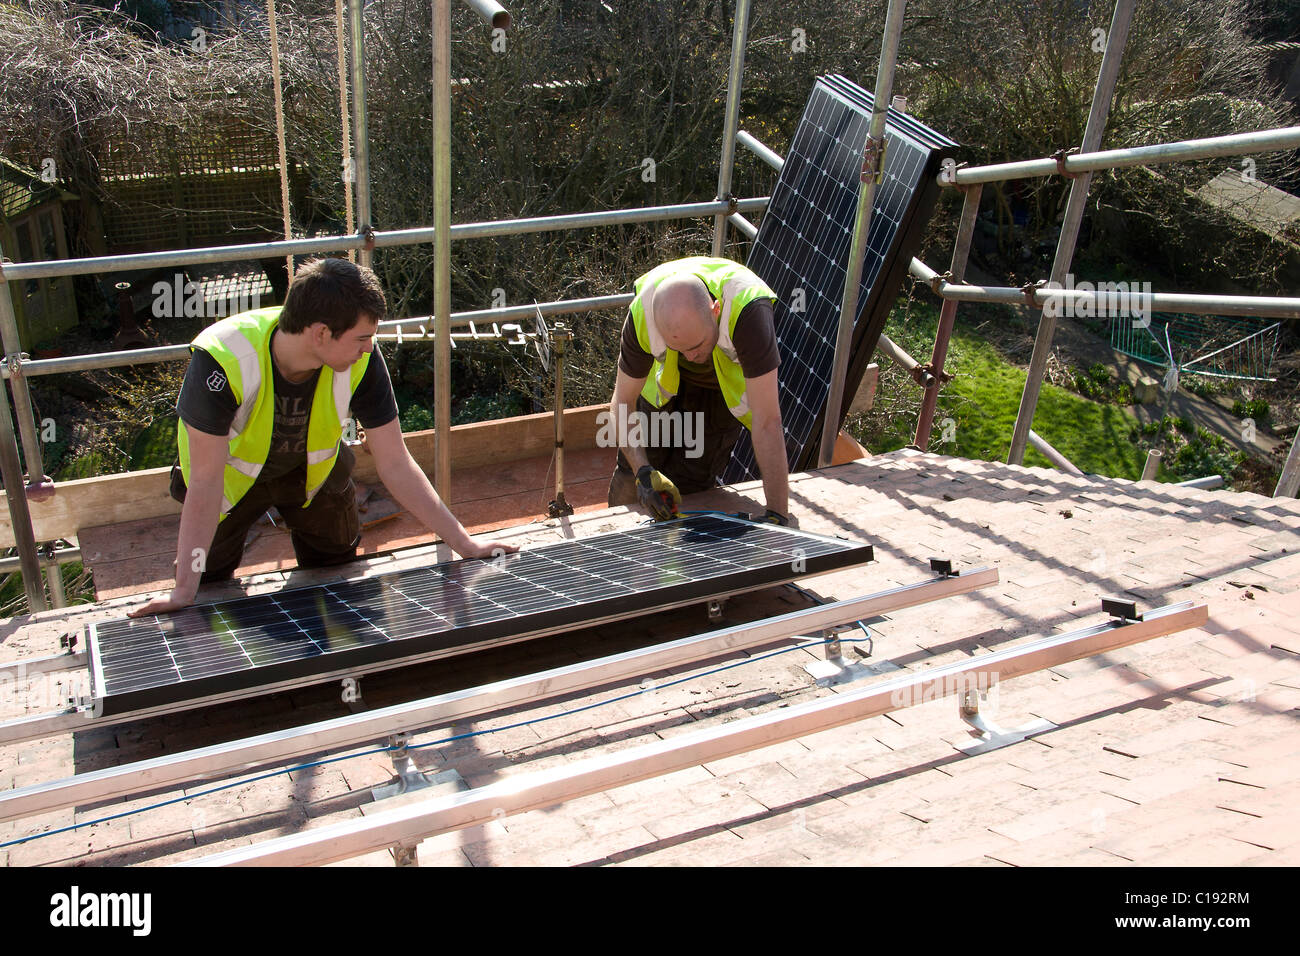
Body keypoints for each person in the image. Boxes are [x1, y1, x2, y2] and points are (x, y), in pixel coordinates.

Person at [129, 257, 513, 618]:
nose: (369, 348)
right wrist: (183, 591)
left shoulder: (363, 359)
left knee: (337, 567)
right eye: (361, 338)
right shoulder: (223, 358)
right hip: (228, 485)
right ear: (321, 333)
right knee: (205, 579)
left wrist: (465, 545)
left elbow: (395, 462)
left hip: (311, 475)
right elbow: (206, 479)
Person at [607, 255, 789, 523]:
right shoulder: (642, 316)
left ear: (715, 310)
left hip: (718, 393)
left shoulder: (749, 312)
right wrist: (643, 473)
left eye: (695, 346)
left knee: (691, 481)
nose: (689, 357)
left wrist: (777, 514)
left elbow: (767, 421)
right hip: (664, 389)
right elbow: (621, 403)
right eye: (677, 348)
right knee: (630, 476)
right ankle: (617, 548)